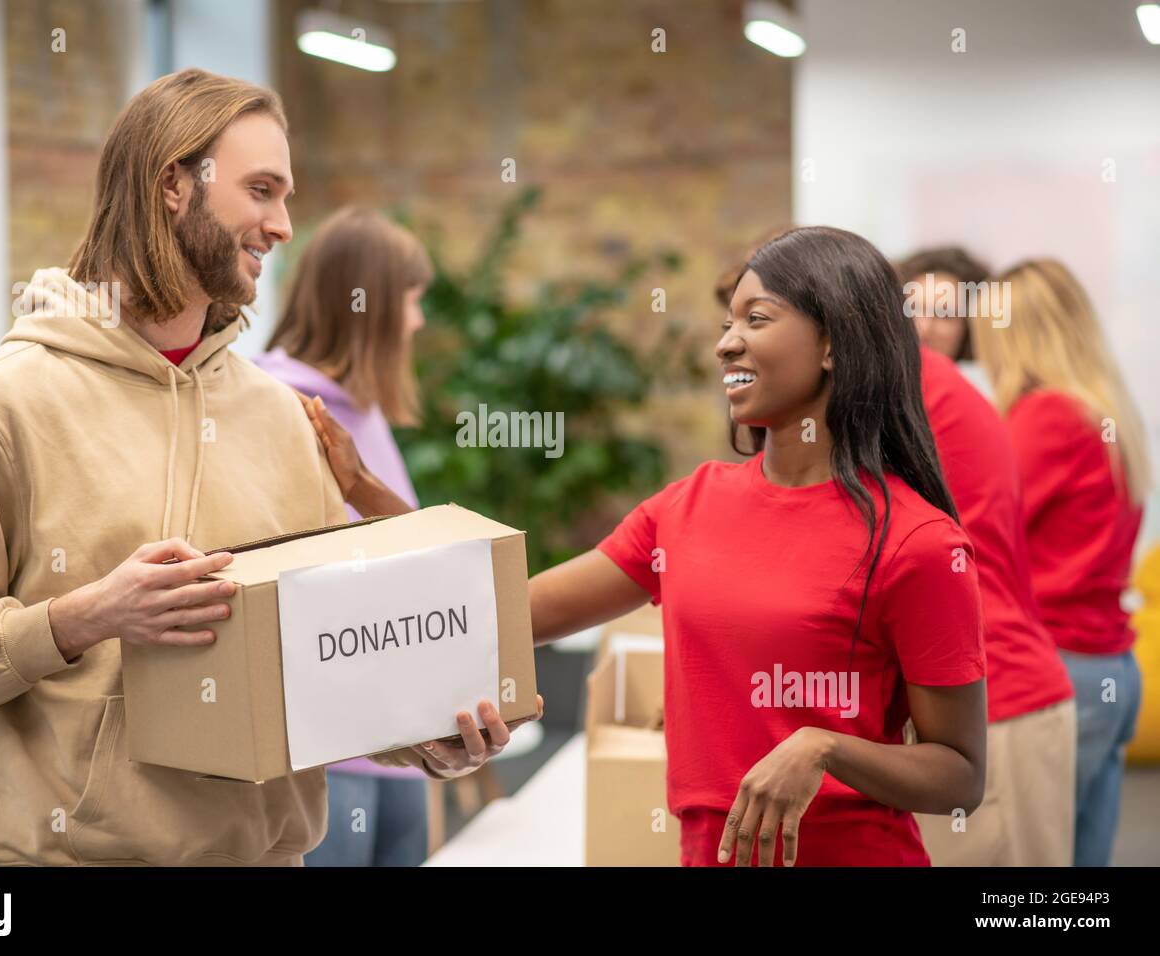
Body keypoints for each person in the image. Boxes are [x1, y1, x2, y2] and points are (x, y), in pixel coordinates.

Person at [0, 68, 526, 867]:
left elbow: (316, 676)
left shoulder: (281, 417)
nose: (283, 225)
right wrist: (80, 619)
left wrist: (420, 743)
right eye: (262, 190)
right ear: (174, 184)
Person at [307, 226, 988, 866]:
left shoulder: (918, 543)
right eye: (728, 324)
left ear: (835, 341)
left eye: (756, 320)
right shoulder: (690, 507)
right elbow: (504, 608)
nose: (726, 344)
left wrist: (826, 748)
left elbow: (959, 772)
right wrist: (363, 489)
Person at [253, 207, 433, 866]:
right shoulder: (279, 406)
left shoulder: (365, 413)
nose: (418, 322)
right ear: (372, 308)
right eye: (411, 301)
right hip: (328, 757)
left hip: (400, 752)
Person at [971, 258, 1151, 866]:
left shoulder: (1044, 417)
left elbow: (974, 527)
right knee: (1080, 874)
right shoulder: (1107, 414)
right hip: (1108, 667)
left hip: (1056, 669)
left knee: (1030, 877)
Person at [911, 345, 1076, 865]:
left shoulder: (898, 384)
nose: (733, 341)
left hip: (996, 697)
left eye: (759, 318)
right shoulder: (924, 382)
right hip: (990, 694)